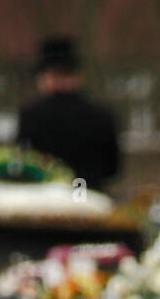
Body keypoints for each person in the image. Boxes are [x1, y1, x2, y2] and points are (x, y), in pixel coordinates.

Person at [17, 37, 121, 191]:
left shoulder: (31, 115)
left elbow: (22, 163)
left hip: (46, 201)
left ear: (48, 76)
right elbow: (112, 169)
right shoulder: (102, 115)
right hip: (89, 198)